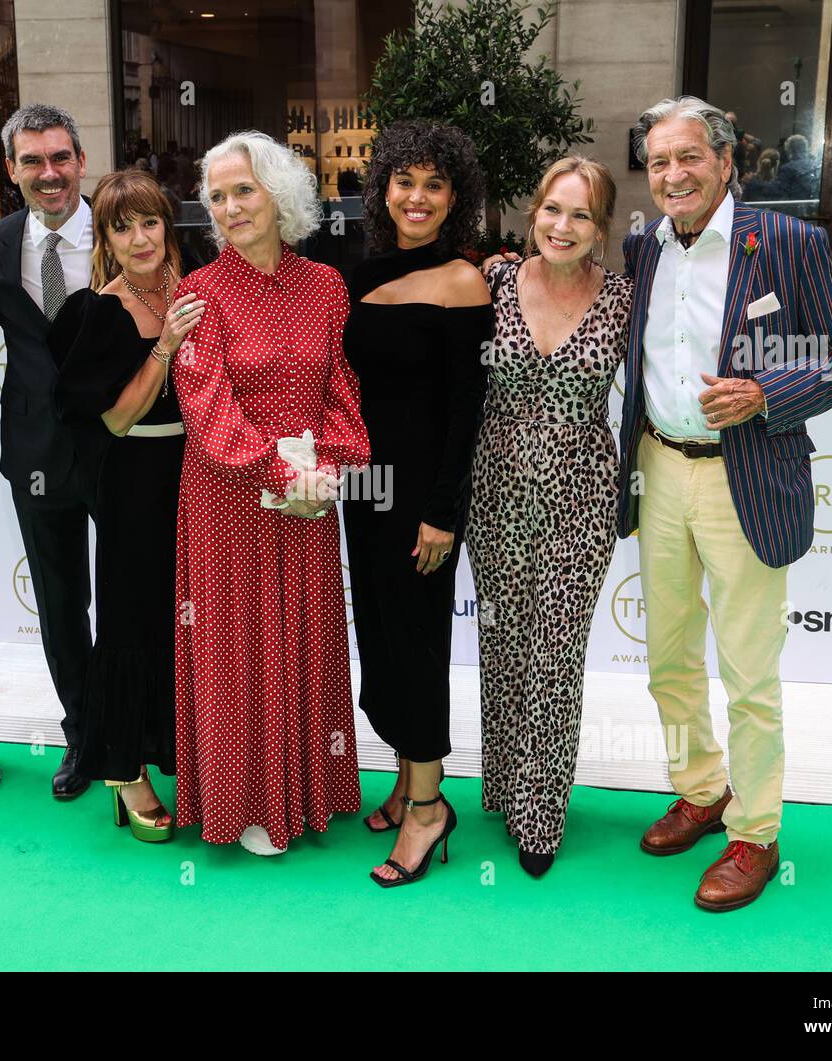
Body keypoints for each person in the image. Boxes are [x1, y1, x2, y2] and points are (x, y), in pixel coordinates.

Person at [621, 97, 832, 911]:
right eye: (659, 161)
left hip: (745, 477)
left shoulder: (789, 244)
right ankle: (702, 788)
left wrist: (767, 391)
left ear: (727, 161)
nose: (673, 175)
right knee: (668, 659)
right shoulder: (641, 251)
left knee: (749, 671)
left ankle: (756, 832)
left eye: (688, 157)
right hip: (660, 472)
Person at [171, 130, 371, 855]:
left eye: (243, 190)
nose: (229, 207)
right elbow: (207, 406)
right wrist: (284, 475)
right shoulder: (198, 293)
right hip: (228, 499)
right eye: (217, 196)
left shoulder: (326, 286)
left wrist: (332, 467)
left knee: (305, 636)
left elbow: (341, 391)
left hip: (310, 499)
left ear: (279, 193)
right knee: (238, 647)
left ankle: (310, 785)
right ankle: (246, 800)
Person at [342, 120, 492, 887]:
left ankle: (430, 808)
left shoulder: (465, 281)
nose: (418, 197)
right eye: (405, 181)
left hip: (424, 499)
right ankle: (405, 776)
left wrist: (443, 510)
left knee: (419, 644)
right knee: (383, 635)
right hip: (363, 489)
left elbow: (468, 409)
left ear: (455, 199)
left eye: (435, 184)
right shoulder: (359, 274)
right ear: (384, 191)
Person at [473, 157, 633, 878]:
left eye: (581, 215)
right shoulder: (494, 282)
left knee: (555, 651)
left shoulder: (626, 300)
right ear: (533, 213)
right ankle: (507, 788)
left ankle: (543, 812)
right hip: (495, 490)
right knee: (504, 643)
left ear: (602, 229)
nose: (562, 227)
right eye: (552, 211)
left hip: (583, 492)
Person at [46, 170, 204, 841]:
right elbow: (112, 420)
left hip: (199, 476)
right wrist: (166, 345)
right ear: (106, 240)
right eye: (122, 226)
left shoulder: (197, 288)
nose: (139, 238)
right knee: (131, 619)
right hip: (135, 477)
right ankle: (125, 773)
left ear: (168, 225)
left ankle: (190, 758)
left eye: (149, 221)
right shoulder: (97, 311)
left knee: (186, 621)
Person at [0, 103, 100, 801]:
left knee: (138, 599)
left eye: (60, 158)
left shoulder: (122, 228)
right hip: (36, 450)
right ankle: (82, 733)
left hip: (123, 447)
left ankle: (142, 731)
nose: (48, 174)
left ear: (81, 160)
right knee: (60, 603)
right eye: (32, 161)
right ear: (12, 170)